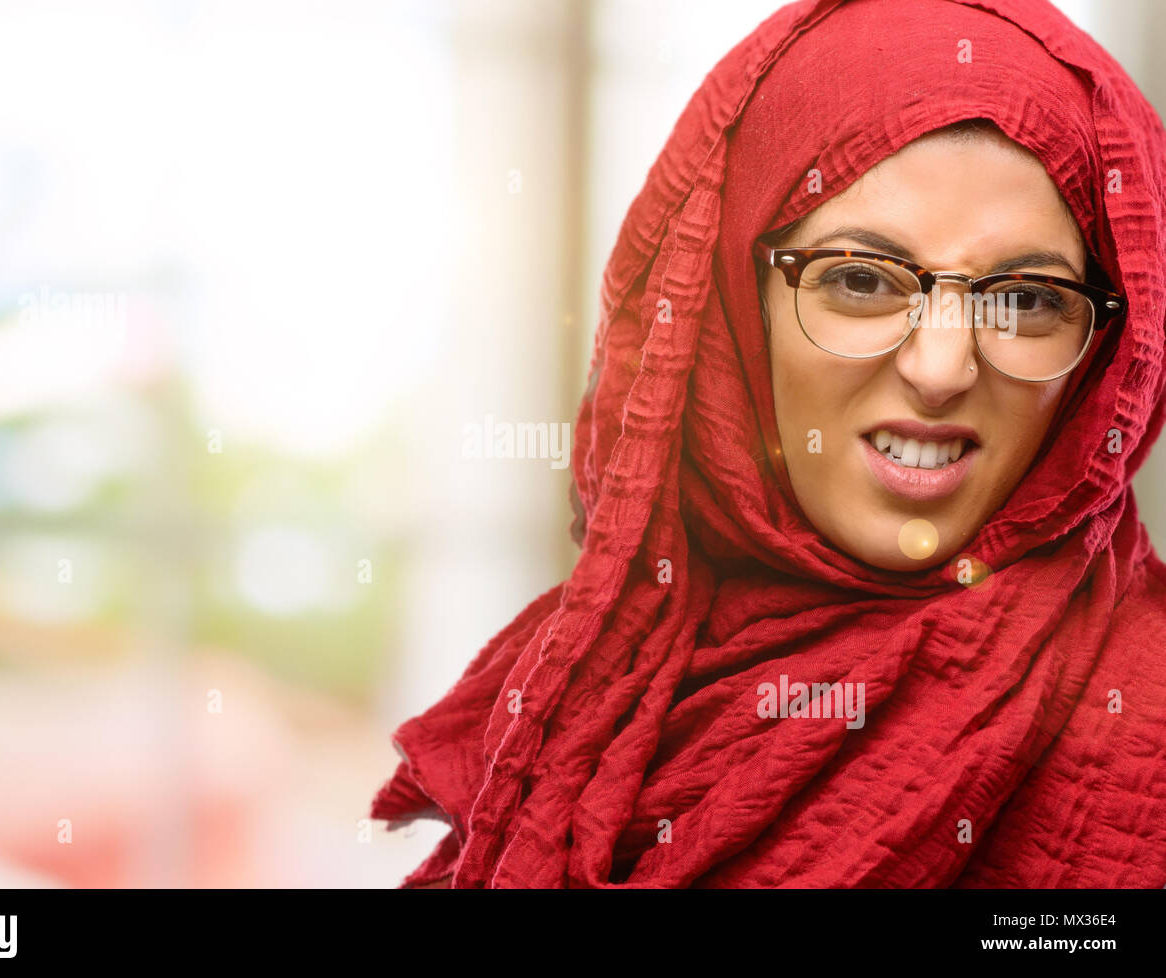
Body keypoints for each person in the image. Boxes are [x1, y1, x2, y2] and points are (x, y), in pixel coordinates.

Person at [370, 0, 1166, 888]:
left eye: (1025, 300)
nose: (941, 369)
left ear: (1109, 355)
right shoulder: (577, 714)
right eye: (861, 279)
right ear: (729, 314)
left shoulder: (1144, 737)